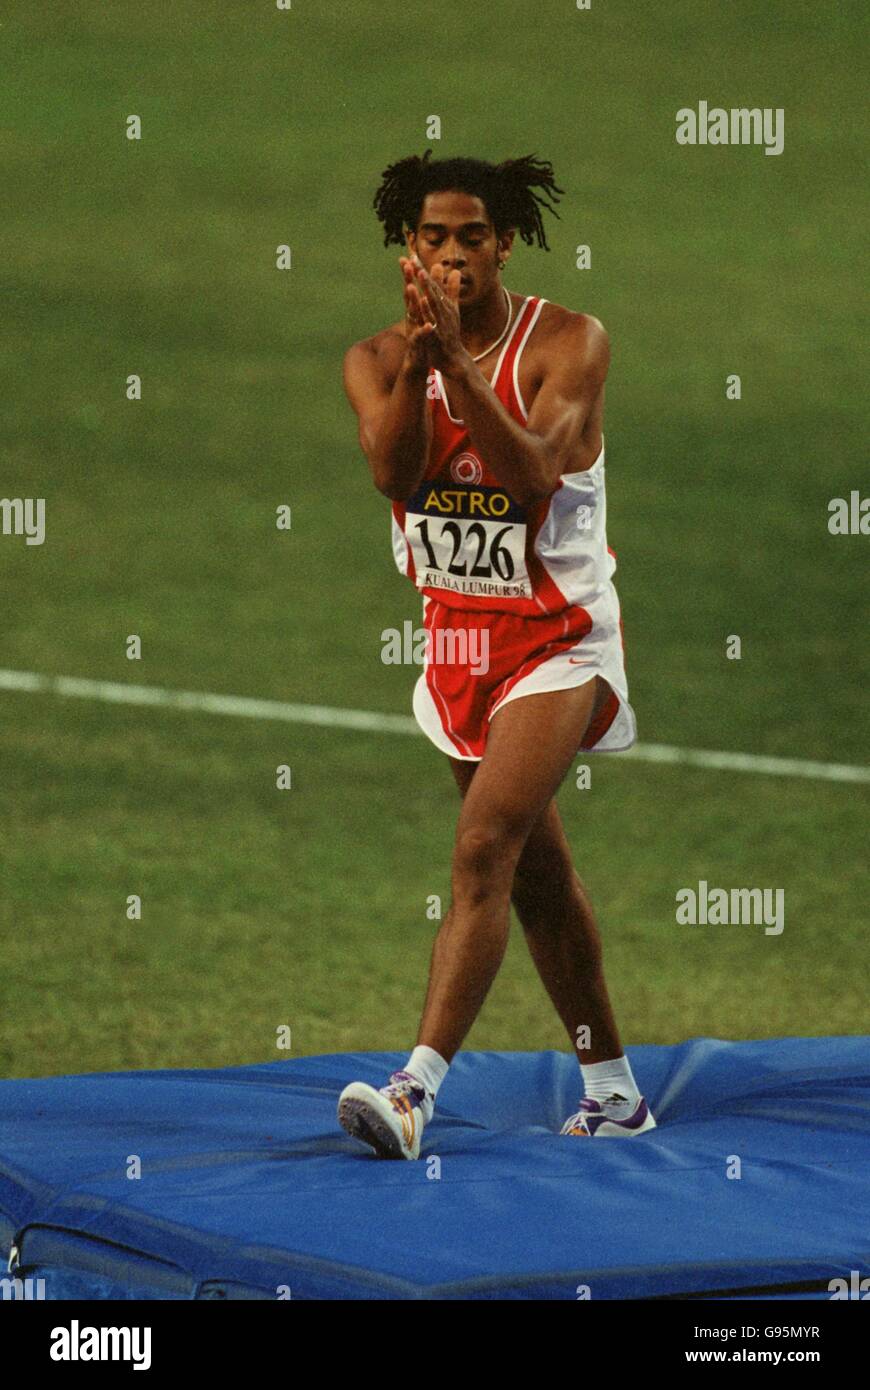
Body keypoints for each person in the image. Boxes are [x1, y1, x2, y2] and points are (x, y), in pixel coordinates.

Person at [338, 151, 656, 1158]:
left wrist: (464, 365)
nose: (453, 255)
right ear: (407, 248)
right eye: (432, 237)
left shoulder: (568, 341)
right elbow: (394, 471)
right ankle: (613, 1088)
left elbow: (527, 478)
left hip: (560, 639)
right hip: (458, 649)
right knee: (537, 875)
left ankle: (413, 1090)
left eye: (472, 236)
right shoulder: (378, 360)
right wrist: (428, 362)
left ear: (504, 240)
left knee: (482, 850)